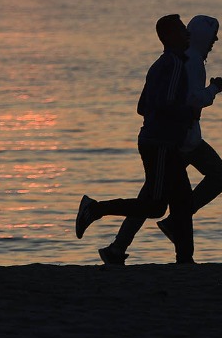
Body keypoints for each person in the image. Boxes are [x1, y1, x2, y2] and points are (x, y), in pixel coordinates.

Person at [74, 14, 196, 264]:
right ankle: (94, 209)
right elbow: (167, 103)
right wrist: (190, 111)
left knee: (182, 201)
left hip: (160, 142)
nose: (188, 34)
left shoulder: (159, 65)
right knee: (155, 206)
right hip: (161, 143)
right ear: (170, 36)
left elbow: (142, 107)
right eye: (183, 30)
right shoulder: (173, 64)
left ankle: (185, 261)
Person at [154, 14, 222, 245]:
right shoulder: (194, 61)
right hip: (185, 139)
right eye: (212, 38)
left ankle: (118, 246)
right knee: (220, 177)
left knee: (153, 197)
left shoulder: (183, 58)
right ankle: (175, 222)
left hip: (181, 137)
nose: (214, 42)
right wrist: (214, 89)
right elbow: (194, 99)